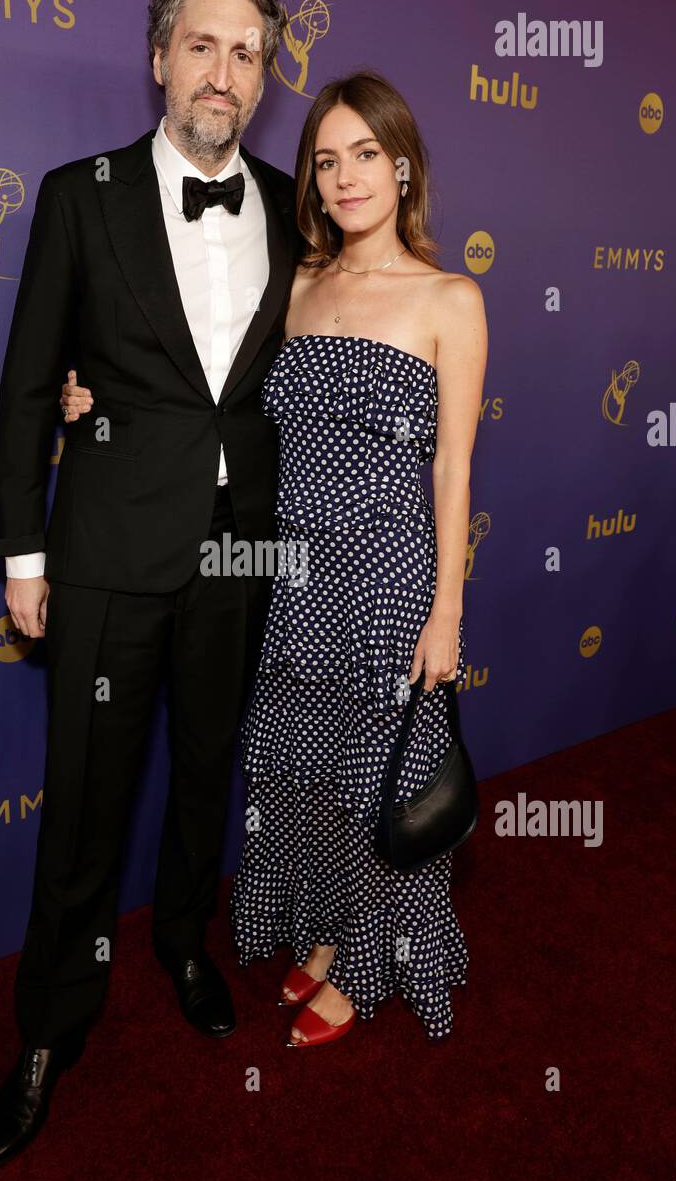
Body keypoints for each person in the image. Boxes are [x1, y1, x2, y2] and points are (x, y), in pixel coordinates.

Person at [62, 69, 488, 1050]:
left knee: (379, 771)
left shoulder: (449, 298)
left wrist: (446, 612)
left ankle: (376, 957)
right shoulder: (289, 283)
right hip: (287, 579)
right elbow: (193, 381)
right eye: (325, 161)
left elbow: (455, 471)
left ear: (404, 165)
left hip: (387, 581)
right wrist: (89, 400)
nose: (343, 179)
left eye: (364, 156)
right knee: (303, 770)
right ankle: (329, 935)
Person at [0, 0, 298, 1168]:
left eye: (248, 53)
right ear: (160, 58)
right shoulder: (79, 192)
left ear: (265, 76)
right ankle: (49, 1031)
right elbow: (21, 390)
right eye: (204, 45)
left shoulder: (285, 203)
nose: (225, 72)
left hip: (237, 553)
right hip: (104, 551)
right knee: (84, 810)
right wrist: (20, 549)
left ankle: (180, 942)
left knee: (208, 770)